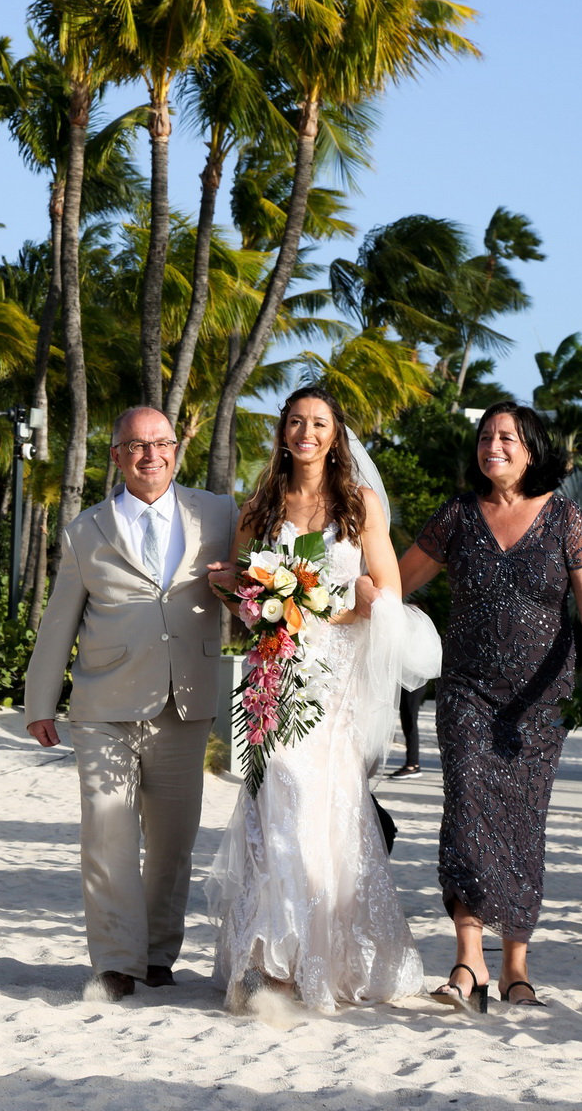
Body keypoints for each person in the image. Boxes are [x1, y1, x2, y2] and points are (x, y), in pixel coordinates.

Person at [208, 386, 434, 1014]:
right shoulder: (259, 507)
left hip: (332, 681)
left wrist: (333, 603)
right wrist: (237, 592)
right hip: (273, 669)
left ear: (336, 436)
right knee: (276, 794)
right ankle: (267, 959)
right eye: (297, 421)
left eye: (319, 423)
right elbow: (244, 597)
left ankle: (313, 957)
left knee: (318, 803)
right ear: (283, 431)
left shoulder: (360, 506)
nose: (306, 432)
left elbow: (384, 594)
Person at [398, 401, 582, 1012]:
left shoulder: (563, 517)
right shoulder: (458, 515)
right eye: (487, 436)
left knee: (522, 825)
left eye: (508, 437)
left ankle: (516, 966)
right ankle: (470, 962)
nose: (495, 445)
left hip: (541, 700)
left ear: (532, 448)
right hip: (466, 690)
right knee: (465, 810)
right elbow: (394, 583)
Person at [23, 406, 238, 999]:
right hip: (104, 703)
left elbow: (252, 584)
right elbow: (59, 622)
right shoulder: (84, 529)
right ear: (116, 456)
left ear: (176, 449)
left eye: (162, 444)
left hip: (185, 702)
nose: (151, 455)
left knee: (173, 843)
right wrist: (41, 701)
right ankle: (116, 960)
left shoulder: (218, 513)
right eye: (136, 446)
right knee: (107, 834)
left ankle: (157, 954)